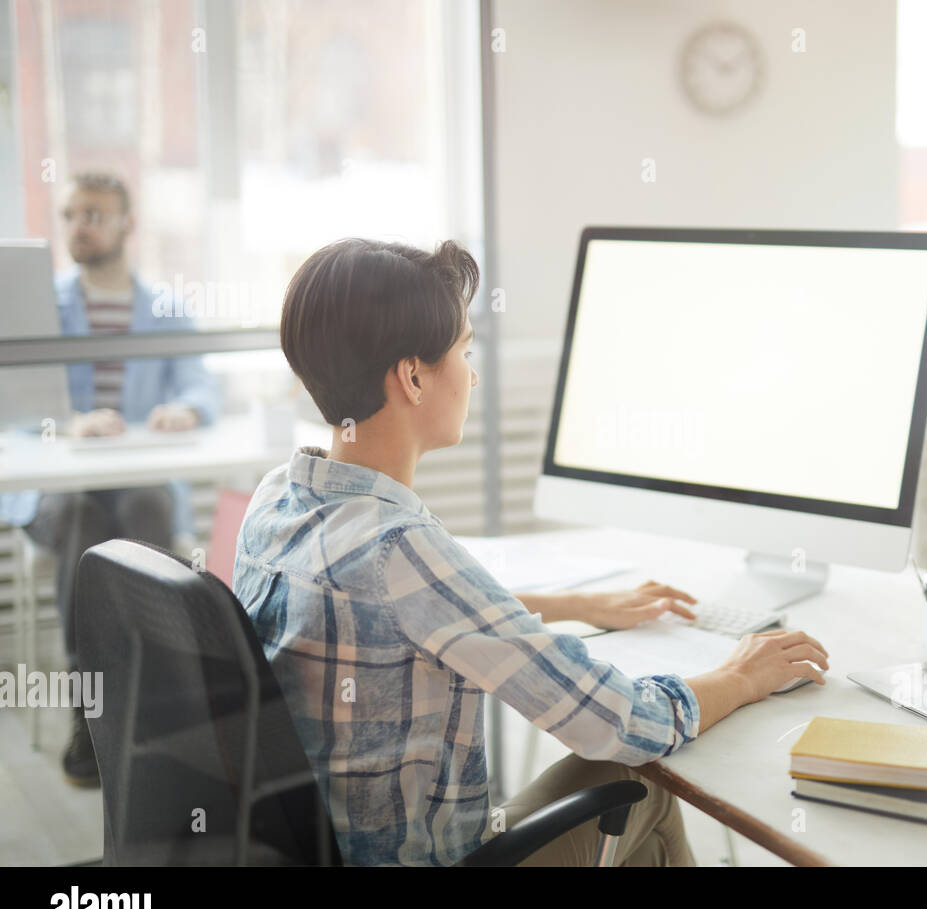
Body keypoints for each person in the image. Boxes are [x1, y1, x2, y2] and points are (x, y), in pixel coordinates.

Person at [232, 237, 829, 866]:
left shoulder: (280, 501)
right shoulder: (396, 549)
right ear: (412, 376)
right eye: (464, 350)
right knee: (642, 780)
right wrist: (740, 677)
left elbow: (392, 618)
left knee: (638, 825)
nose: (473, 372)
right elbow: (618, 721)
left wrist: (574, 604)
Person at [0, 172, 221, 786]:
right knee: (82, 519)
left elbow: (200, 382)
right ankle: (89, 710)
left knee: (148, 508)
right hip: (59, 492)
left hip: (136, 480)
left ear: (128, 224)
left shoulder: (164, 310)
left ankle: (148, 706)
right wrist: (63, 424)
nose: (80, 227)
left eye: (94, 214)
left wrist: (189, 409)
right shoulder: (40, 305)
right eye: (70, 215)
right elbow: (9, 399)